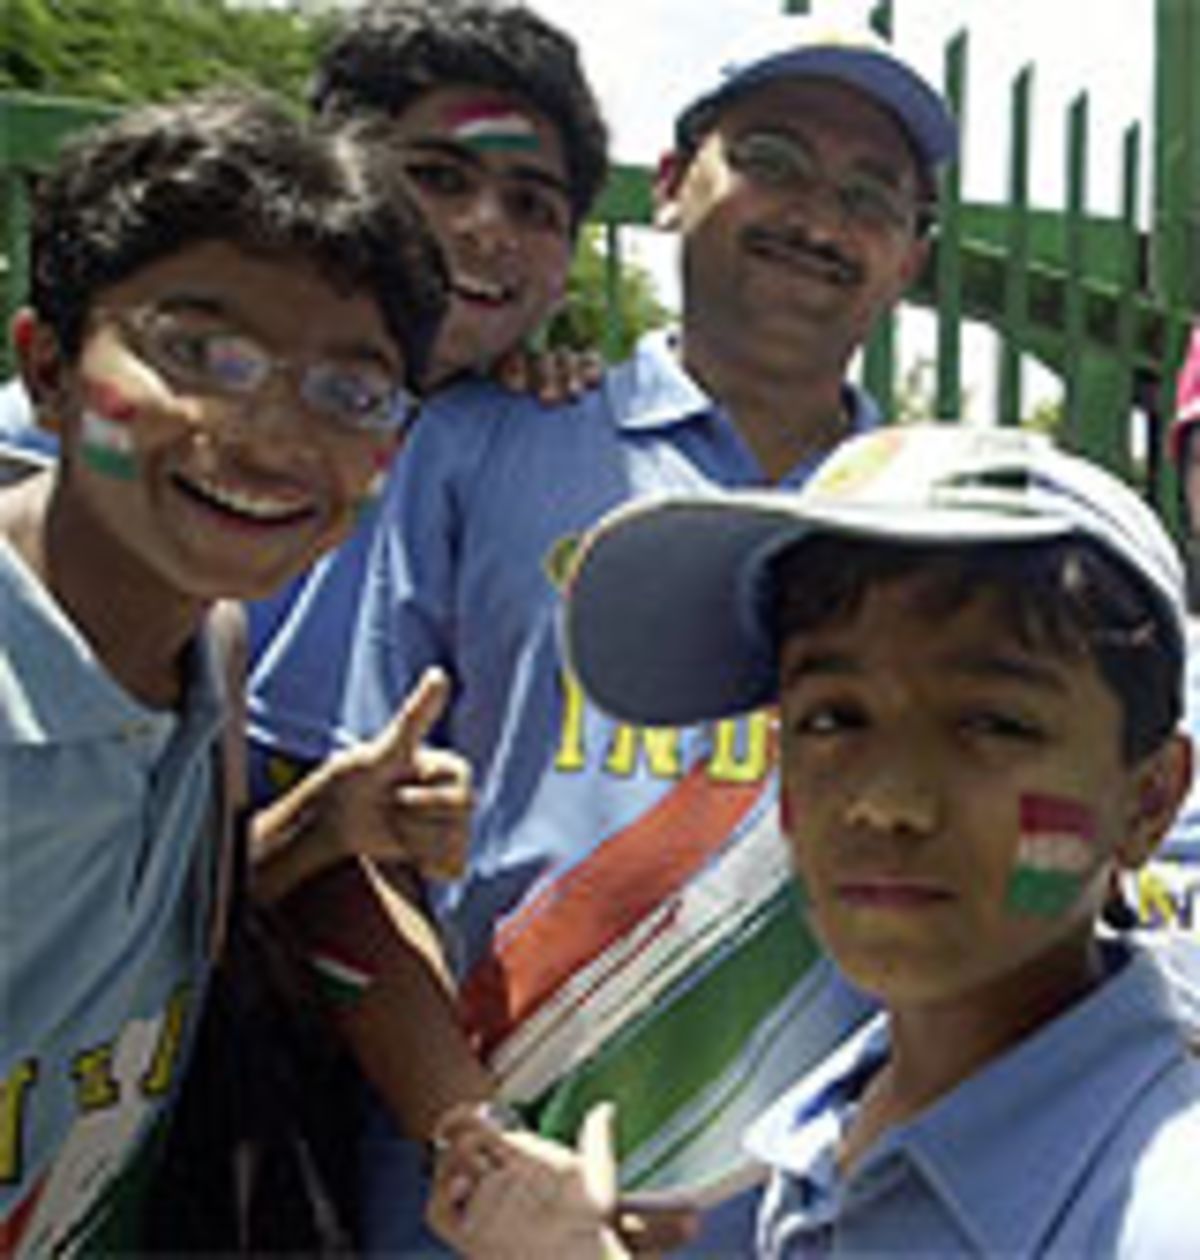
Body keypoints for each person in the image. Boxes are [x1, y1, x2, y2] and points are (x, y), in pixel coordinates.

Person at [254, 14, 959, 1253]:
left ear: (911, 258)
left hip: (832, 1213)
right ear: (674, 188)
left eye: (871, 195)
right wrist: (485, 1147)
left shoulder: (948, 520)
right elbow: (337, 843)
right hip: (475, 1200)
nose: (817, 217)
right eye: (776, 162)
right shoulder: (470, 445)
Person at [432, 422, 1200, 1256]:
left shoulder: (1162, 1211)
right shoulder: (834, 1130)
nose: (887, 802)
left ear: (1149, 800)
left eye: (994, 724)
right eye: (834, 718)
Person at [0, 88, 470, 1255]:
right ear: (48, 370)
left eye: (350, 390)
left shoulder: (210, 651)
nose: (270, 435)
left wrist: (320, 826)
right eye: (202, 351)